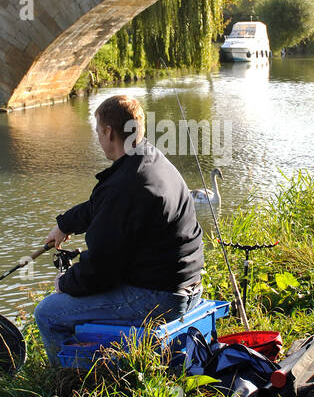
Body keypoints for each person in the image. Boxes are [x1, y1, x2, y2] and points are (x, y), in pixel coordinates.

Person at [35, 94, 204, 366]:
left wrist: (64, 284)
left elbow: (101, 270)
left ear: (109, 132)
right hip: (188, 286)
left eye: (98, 132)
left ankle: (67, 381)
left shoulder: (126, 185)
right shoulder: (150, 161)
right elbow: (100, 207)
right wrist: (65, 224)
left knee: (48, 313)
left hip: (161, 298)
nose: (98, 139)